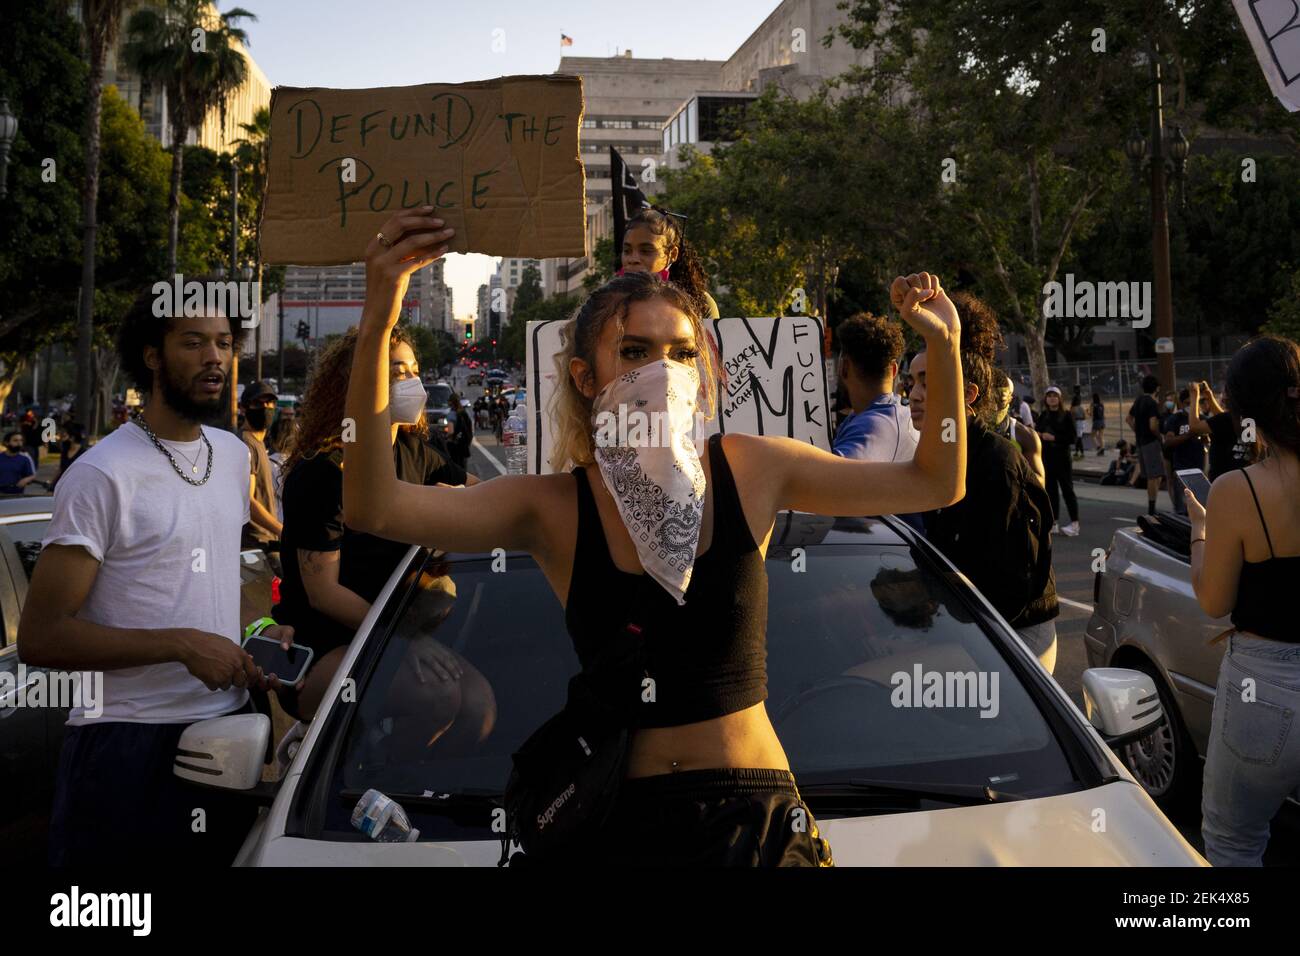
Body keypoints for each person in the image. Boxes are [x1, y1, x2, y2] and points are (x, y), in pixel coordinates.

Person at [344, 209, 967, 867]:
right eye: (635, 351)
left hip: (749, 822)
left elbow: (935, 481)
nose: (662, 371)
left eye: (681, 353)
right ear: (588, 379)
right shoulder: (552, 506)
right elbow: (372, 505)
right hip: (620, 826)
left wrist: (945, 347)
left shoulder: (751, 468)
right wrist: (378, 320)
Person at [18, 286, 293, 866]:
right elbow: (42, 637)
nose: (214, 358)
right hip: (126, 743)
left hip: (230, 731)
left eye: (223, 343)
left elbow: (212, 579)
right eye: (193, 342)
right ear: (151, 355)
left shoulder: (232, 456)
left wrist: (257, 632)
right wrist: (179, 646)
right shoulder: (101, 475)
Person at [274, 326, 485, 727]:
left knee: (480, 708)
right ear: (357, 383)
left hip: (395, 634)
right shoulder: (322, 471)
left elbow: (488, 500)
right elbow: (324, 593)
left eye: (414, 370)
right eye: (396, 371)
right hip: (326, 645)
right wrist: (403, 639)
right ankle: (353, 778)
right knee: (438, 697)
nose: (412, 383)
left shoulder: (414, 450)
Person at [1184, 335, 1300, 867]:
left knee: (1233, 844)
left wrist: (1201, 533)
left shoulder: (1238, 490)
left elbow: (1213, 600)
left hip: (1264, 683)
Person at [909, 295, 1060, 673]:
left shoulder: (996, 462)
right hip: (972, 631)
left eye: (928, 383)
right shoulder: (936, 456)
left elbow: (1009, 590)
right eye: (911, 382)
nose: (913, 395)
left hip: (1017, 638)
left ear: (970, 395)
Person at [831, 312, 919, 463]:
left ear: (844, 368)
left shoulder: (872, 426)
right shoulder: (900, 412)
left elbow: (826, 479)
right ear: (894, 370)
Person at [619, 206, 720, 319]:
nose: (633, 259)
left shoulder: (702, 304)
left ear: (672, 254)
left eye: (646, 251)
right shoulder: (606, 302)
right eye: (627, 251)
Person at [238, 379, 283, 556]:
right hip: (254, 546)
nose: (265, 407)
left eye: (269, 402)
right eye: (258, 403)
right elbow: (248, 500)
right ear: (243, 408)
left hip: (266, 541)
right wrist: (281, 530)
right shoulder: (246, 444)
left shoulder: (258, 444)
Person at [1035, 386, 1080, 536]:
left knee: (1067, 490)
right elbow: (1037, 432)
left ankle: (1075, 523)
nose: (1052, 398)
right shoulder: (1043, 415)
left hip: (1062, 458)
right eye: (1049, 396)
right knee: (1051, 491)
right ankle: (1053, 522)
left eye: (1055, 396)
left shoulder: (1066, 415)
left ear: (1059, 399)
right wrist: (1040, 435)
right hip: (1047, 458)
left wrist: (1054, 438)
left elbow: (1072, 438)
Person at [1190, 380, 1254, 481]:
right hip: (1247, 476)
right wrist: (1210, 398)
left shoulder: (1225, 420)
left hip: (1223, 479)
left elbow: (1194, 428)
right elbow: (1224, 420)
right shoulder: (1250, 418)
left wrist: (1194, 396)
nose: (1221, 397)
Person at [1161, 386, 1208, 515]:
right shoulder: (1175, 419)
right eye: (1188, 403)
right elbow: (1168, 442)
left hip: (1199, 469)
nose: (1191, 406)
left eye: (1193, 403)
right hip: (1181, 468)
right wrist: (1188, 434)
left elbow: (1209, 441)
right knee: (1182, 509)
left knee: (1200, 509)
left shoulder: (1202, 419)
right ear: (1181, 404)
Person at [1126, 374, 1165, 516]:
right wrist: (1160, 436)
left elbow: (1128, 419)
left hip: (1141, 442)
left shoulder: (1138, 401)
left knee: (1153, 475)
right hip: (1151, 442)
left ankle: (1152, 504)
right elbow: (1153, 425)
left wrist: (1137, 430)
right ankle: (1152, 506)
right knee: (1154, 476)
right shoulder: (1152, 403)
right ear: (1156, 388)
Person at [52, 422, 89, 490]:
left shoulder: (83, 453)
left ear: (72, 437)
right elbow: (61, 469)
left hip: (74, 488)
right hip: (61, 485)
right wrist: (52, 484)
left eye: (64, 432)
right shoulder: (65, 450)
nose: (61, 434)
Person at [449, 390, 473, 471]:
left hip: (458, 443)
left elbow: (453, 430)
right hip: (465, 441)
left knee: (457, 465)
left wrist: (450, 437)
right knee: (463, 465)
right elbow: (469, 426)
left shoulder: (453, 413)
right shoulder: (463, 412)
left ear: (451, 402)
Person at [1070, 393, 1087, 459]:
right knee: (1079, 437)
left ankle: (1080, 451)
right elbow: (1085, 416)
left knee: (1078, 438)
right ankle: (1078, 451)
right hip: (1082, 422)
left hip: (1076, 422)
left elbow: (1072, 417)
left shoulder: (1073, 408)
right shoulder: (1081, 408)